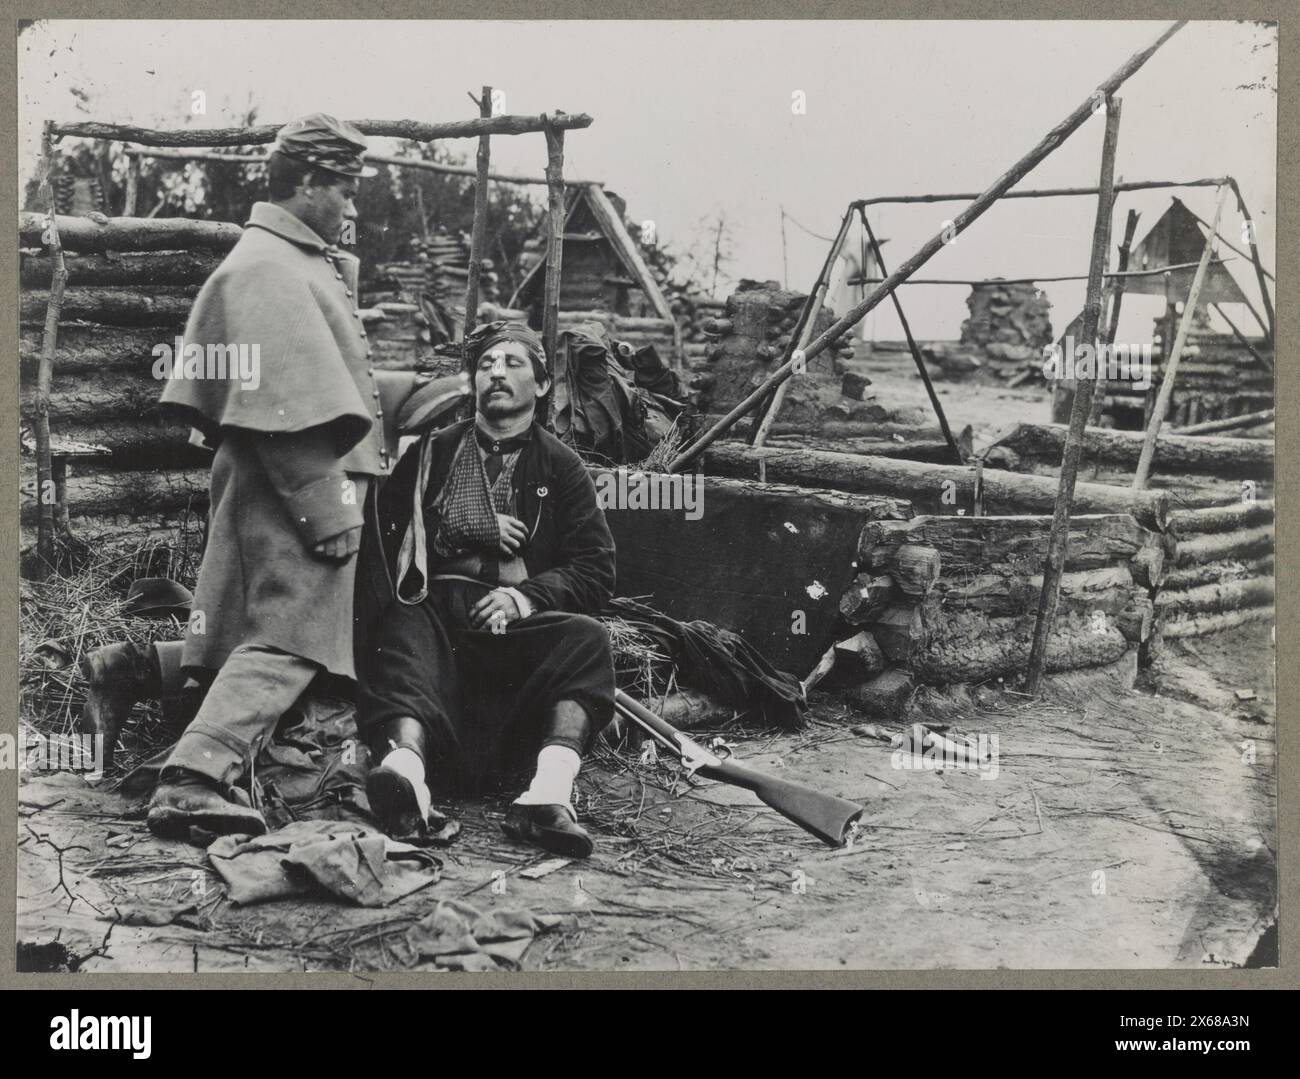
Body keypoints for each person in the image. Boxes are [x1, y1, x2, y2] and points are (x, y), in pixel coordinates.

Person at [144, 114, 416, 839]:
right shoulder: (267, 267)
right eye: (346, 188)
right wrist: (327, 505)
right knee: (289, 638)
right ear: (305, 182)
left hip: (288, 479)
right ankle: (194, 776)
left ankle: (145, 688)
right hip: (295, 481)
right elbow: (283, 408)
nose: (354, 207)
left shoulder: (285, 258)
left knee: (255, 629)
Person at [354, 321, 617, 858]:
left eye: (513, 363)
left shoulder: (561, 466)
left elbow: (596, 566)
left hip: (510, 640)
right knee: (400, 623)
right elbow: (383, 537)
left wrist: (525, 598)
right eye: (485, 364)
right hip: (434, 626)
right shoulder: (431, 453)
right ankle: (406, 775)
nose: (496, 372)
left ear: (542, 387)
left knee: (588, 639)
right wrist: (461, 528)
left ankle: (547, 795)